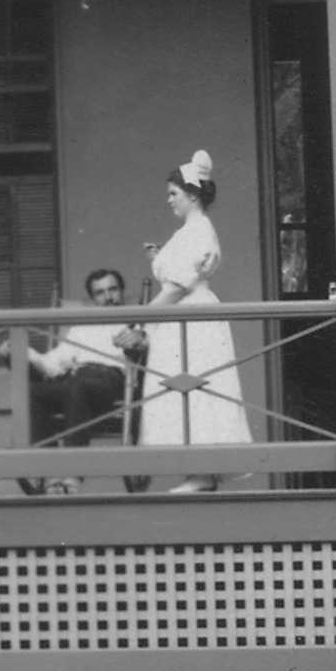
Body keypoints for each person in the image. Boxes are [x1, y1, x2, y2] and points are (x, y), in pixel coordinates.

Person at [132, 148, 248, 459]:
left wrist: (140, 320)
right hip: (181, 317)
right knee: (180, 388)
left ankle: (202, 466)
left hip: (191, 318)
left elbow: (176, 289)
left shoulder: (198, 231)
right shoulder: (188, 231)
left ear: (192, 196)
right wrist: (159, 258)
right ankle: (192, 465)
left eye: (173, 194)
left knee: (195, 389)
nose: (169, 200)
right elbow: (181, 274)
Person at [14, 266, 143, 483]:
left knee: (77, 386)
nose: (109, 297)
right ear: (93, 299)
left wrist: (138, 341)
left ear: (122, 291)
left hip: (110, 381)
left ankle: (73, 473)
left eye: (113, 289)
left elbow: (143, 355)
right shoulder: (82, 327)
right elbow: (54, 363)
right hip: (76, 379)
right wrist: (26, 354)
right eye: (100, 293)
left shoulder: (136, 324)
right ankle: (49, 468)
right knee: (34, 392)